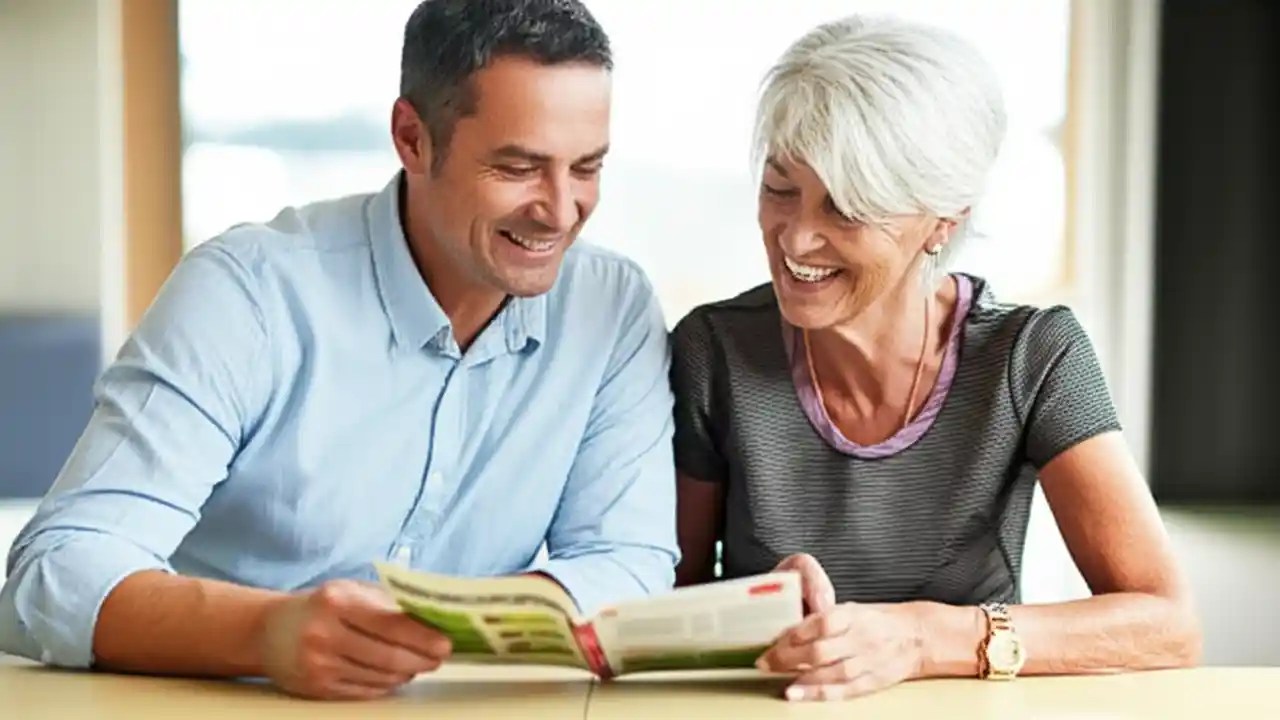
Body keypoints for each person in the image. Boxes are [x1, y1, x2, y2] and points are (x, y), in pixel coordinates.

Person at [1, 0, 679, 701]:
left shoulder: (610, 308)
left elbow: (627, 561)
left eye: (587, 168)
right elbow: (54, 573)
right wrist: (266, 632)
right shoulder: (249, 295)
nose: (561, 210)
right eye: (518, 168)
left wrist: (440, 630)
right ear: (413, 138)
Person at [671, 14, 1201, 702]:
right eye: (780, 188)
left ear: (943, 220)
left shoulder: (1031, 357)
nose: (797, 237)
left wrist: (920, 639)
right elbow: (660, 604)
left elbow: (1168, 624)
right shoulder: (713, 351)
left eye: (848, 207)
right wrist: (755, 610)